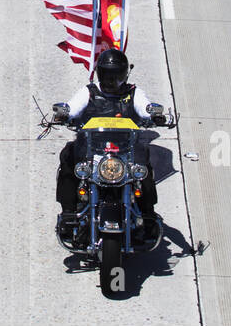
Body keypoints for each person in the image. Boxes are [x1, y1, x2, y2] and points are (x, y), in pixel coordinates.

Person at [54, 48, 164, 233]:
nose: (111, 80)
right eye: (107, 75)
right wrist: (65, 113)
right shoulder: (89, 91)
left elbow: (144, 107)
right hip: (91, 148)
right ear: (100, 73)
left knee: (142, 167)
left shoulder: (133, 93)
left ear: (124, 74)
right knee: (68, 155)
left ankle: (148, 214)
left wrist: (153, 114)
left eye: (116, 75)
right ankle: (68, 212)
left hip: (126, 149)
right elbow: (73, 107)